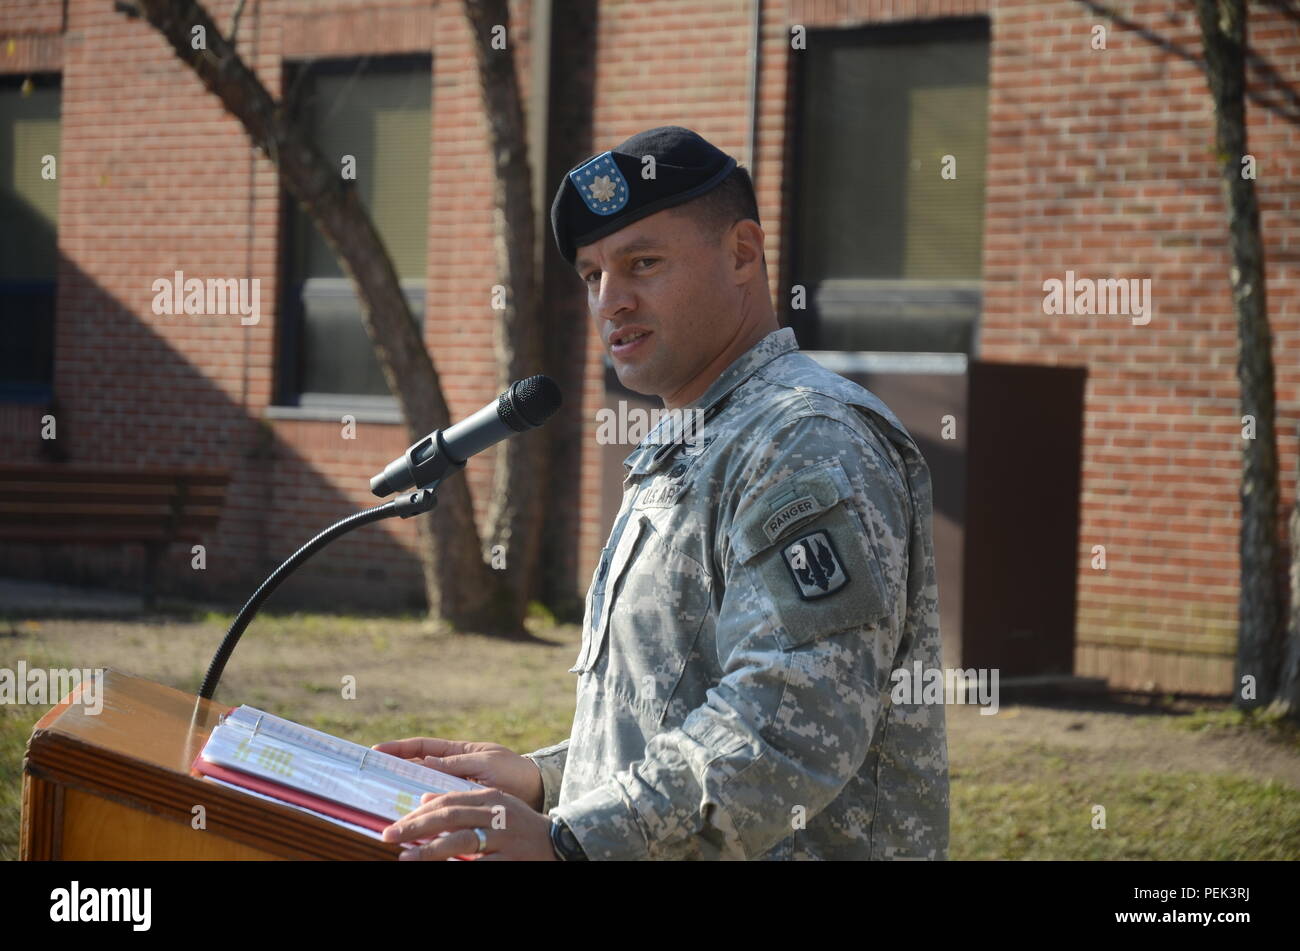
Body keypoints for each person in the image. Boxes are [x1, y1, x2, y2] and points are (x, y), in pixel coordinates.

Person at [373, 125, 949, 861]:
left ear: (743, 253)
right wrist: (548, 780)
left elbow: (787, 729)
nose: (611, 300)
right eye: (592, 276)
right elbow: (683, 713)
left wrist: (574, 841)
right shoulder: (704, 438)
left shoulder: (805, 438)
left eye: (642, 263)